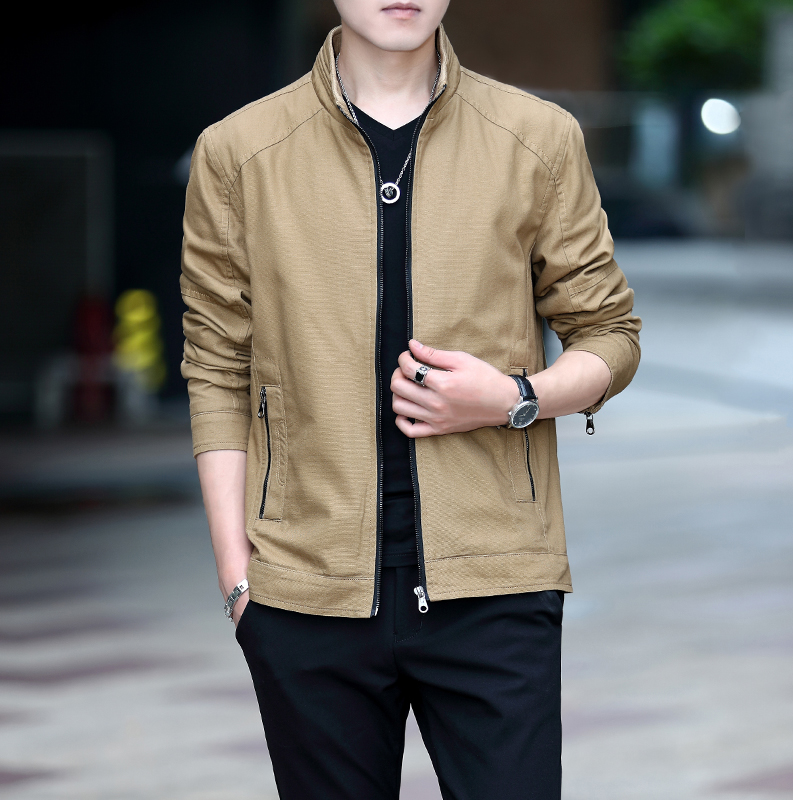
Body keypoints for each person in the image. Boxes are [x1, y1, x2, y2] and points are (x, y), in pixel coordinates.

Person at [180, 1, 641, 797]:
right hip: (307, 597)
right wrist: (238, 579)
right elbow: (218, 364)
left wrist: (515, 398)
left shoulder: (537, 137)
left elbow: (610, 333)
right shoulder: (239, 151)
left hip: (496, 585)